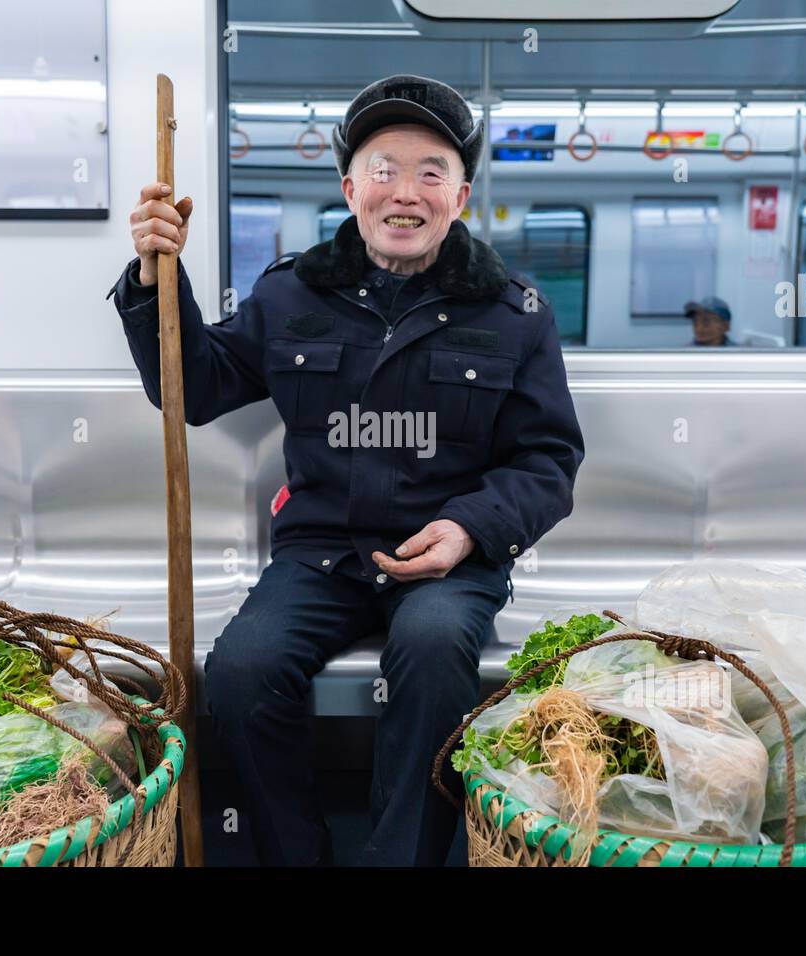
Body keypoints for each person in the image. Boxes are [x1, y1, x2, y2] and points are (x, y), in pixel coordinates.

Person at [108, 73, 584, 866]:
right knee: (239, 672)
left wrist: (470, 530)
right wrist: (159, 279)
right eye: (383, 169)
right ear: (350, 189)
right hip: (321, 555)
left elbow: (549, 460)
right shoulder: (295, 293)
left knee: (434, 653)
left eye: (431, 172)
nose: (407, 191)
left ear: (460, 196)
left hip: (448, 565)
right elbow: (196, 387)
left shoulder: (514, 313)